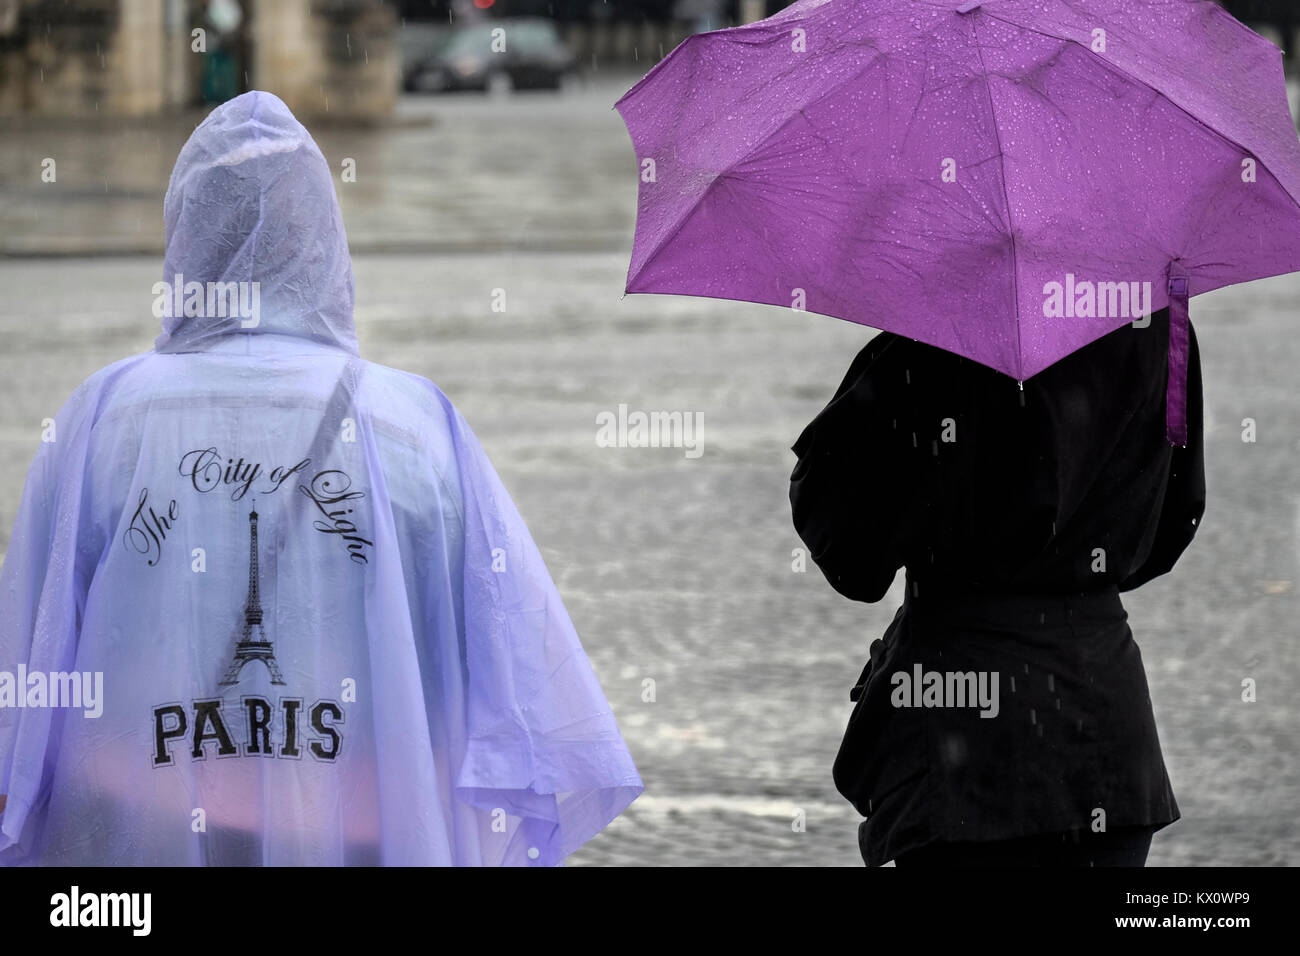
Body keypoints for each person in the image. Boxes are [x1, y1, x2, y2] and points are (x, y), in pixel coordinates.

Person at [0, 91, 642, 866]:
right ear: (325, 242)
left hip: (139, 821)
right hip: (361, 816)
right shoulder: (415, 425)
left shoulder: (102, 418)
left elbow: (27, 667)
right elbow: (504, 685)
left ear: (185, 235)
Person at [790, 307, 1205, 867]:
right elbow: (1174, 521)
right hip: (1106, 734)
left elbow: (850, 552)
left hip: (965, 741)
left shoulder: (942, 326)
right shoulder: (1157, 318)